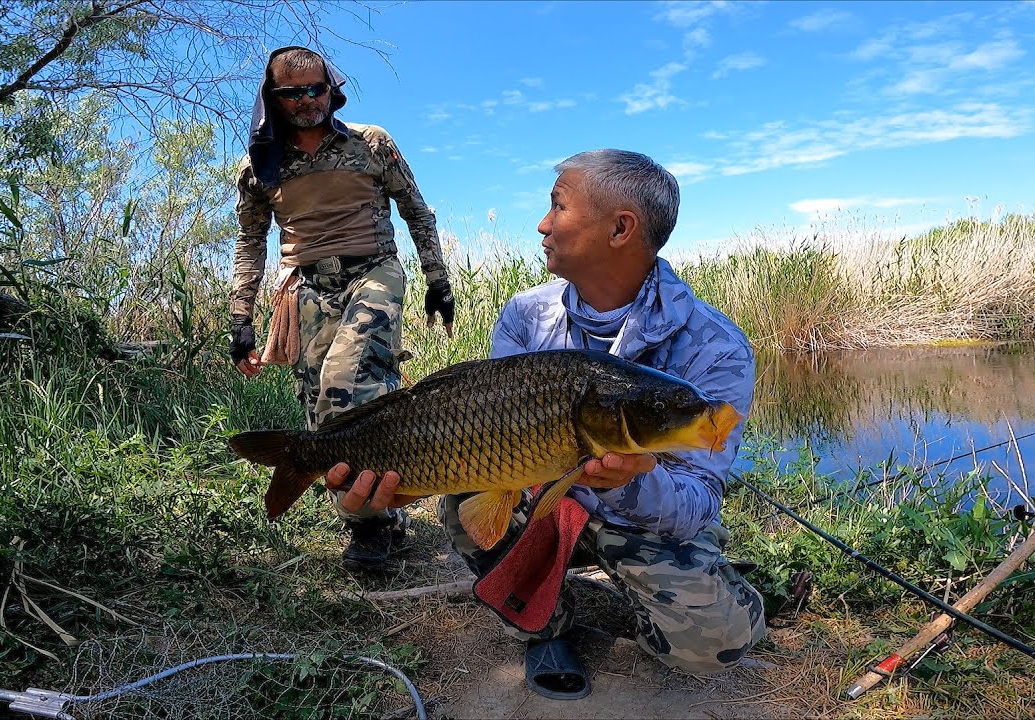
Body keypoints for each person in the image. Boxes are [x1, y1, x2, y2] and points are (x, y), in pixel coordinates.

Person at [327, 149, 765, 698]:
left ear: (620, 228)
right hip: (544, 501)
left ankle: (689, 593)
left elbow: (700, 501)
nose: (541, 223)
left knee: (713, 645)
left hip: (644, 520)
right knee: (465, 503)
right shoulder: (525, 316)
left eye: (557, 206)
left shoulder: (717, 348)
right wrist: (403, 479)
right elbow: (479, 435)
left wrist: (632, 481)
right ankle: (549, 624)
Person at [228, 45, 455, 573]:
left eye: (316, 88)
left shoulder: (371, 143)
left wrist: (437, 281)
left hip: (373, 270)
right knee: (323, 413)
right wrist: (241, 318)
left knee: (345, 380)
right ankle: (375, 524)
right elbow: (249, 241)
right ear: (273, 98)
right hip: (306, 286)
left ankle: (380, 512)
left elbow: (417, 212)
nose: (308, 100)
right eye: (293, 93)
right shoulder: (260, 165)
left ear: (332, 88)